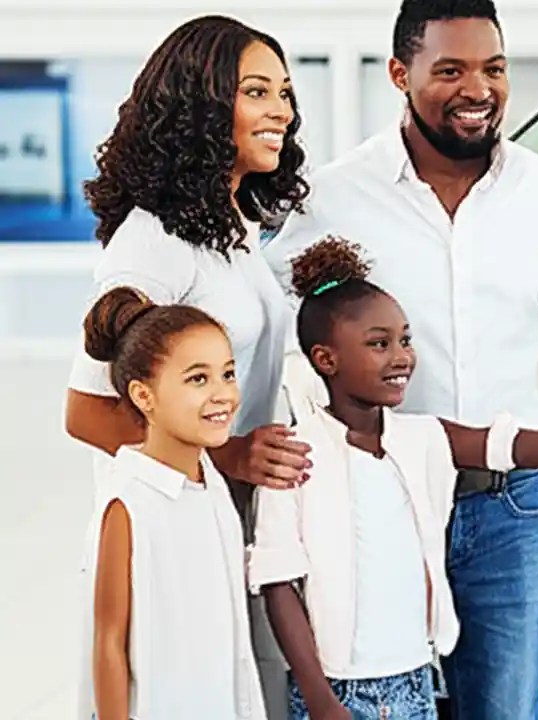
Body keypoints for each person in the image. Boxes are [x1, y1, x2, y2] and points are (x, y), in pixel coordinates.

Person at [262, 1, 538, 716]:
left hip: (506, 505)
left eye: (492, 68)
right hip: (375, 501)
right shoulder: (334, 195)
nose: (477, 89)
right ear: (400, 73)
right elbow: (273, 330)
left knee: (507, 711)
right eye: (450, 70)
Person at [250, 237, 538, 720]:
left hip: (415, 685)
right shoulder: (293, 455)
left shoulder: (426, 439)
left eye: (405, 339)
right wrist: (321, 699)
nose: (402, 357)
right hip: (335, 692)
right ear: (326, 359)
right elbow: (279, 584)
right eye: (379, 344)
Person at [63, 16, 315, 719]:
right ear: (203, 105)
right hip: (169, 534)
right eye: (257, 92)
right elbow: (85, 411)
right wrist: (232, 454)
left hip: (224, 522)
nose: (282, 112)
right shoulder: (152, 241)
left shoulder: (233, 228)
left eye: (286, 94)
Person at [78, 287, 266, 720]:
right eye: (198, 379)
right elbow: (109, 641)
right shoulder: (128, 503)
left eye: (228, 373)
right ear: (144, 397)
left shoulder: (212, 485)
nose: (223, 394)